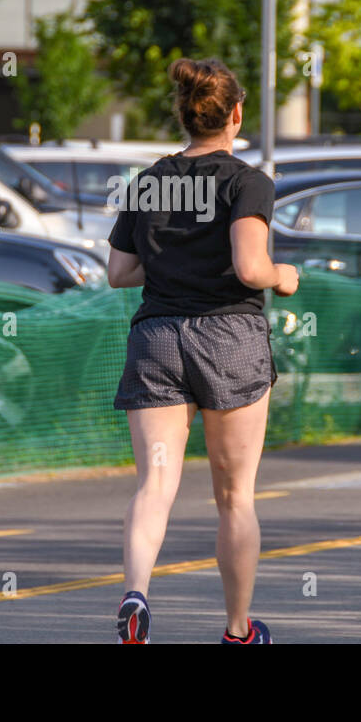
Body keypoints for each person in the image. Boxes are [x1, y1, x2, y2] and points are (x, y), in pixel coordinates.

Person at [106, 57, 299, 644]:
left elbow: (119, 272)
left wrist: (172, 265)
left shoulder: (150, 180)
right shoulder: (249, 182)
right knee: (235, 496)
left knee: (154, 485)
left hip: (158, 338)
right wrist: (285, 274)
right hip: (229, 339)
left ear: (184, 115)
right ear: (235, 114)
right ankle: (238, 629)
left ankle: (136, 593)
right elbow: (249, 265)